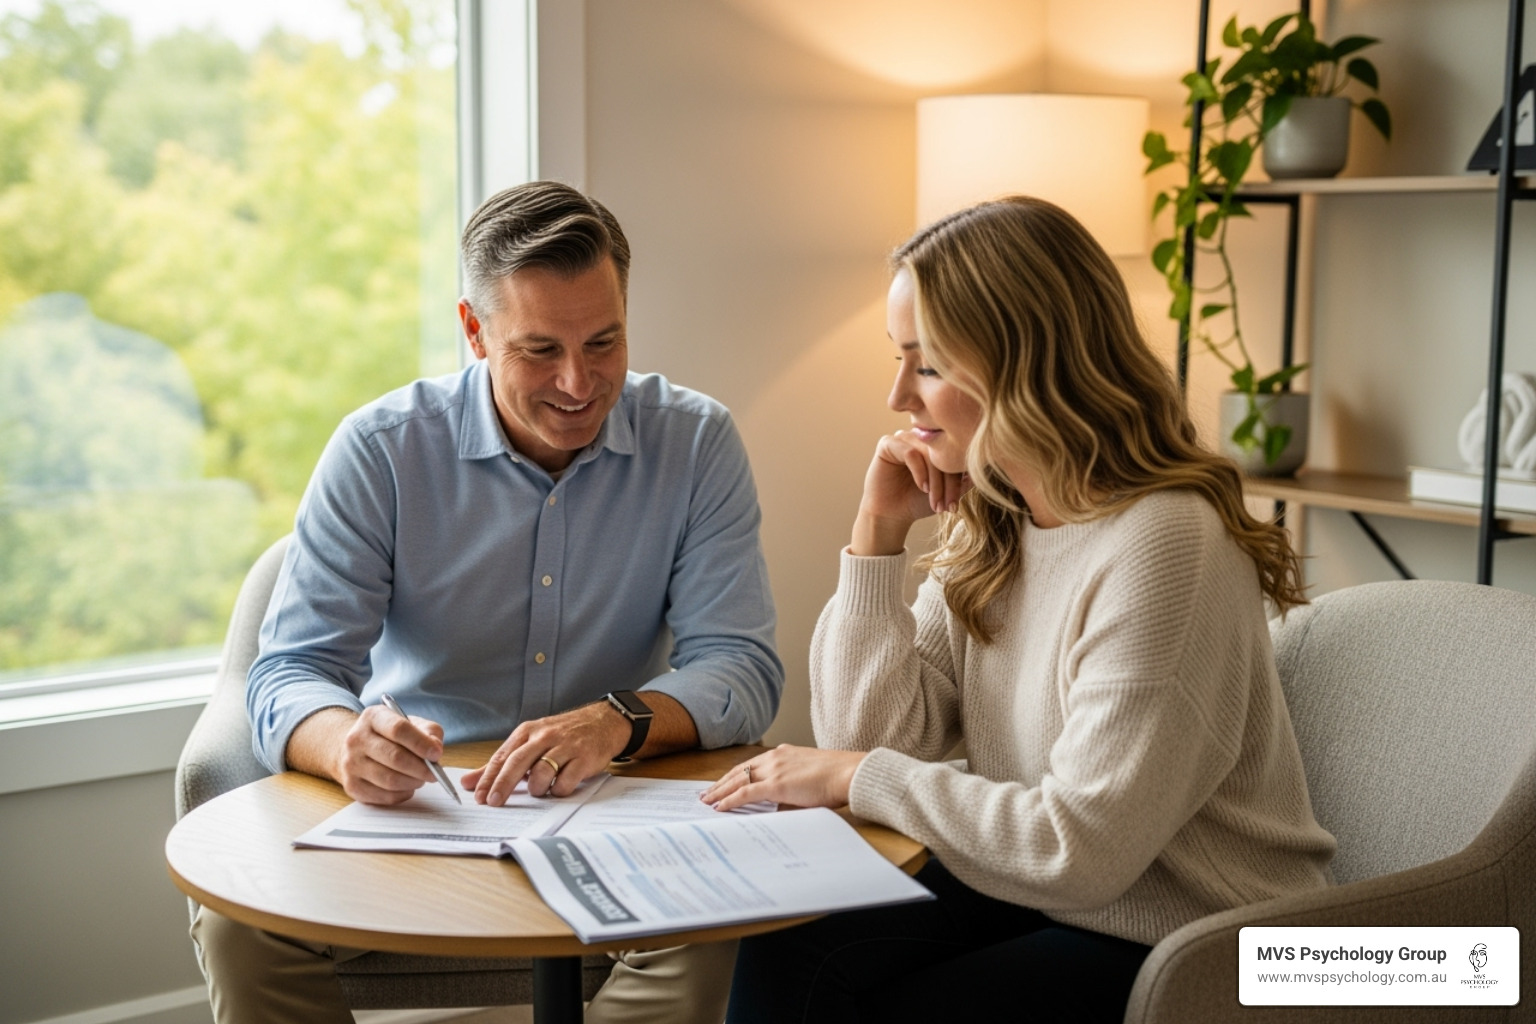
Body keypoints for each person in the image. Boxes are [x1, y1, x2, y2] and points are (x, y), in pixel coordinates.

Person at [703, 196, 1337, 1022]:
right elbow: (874, 737)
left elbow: (1082, 848)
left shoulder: (1163, 543)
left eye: (928, 366)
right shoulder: (1002, 518)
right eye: (899, 359)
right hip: (1047, 894)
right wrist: (876, 537)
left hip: (1199, 937)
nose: (897, 397)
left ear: (1025, 366)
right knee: (793, 938)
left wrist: (859, 777)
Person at [191, 181, 783, 1024]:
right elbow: (292, 669)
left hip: (615, 807)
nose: (578, 382)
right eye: (540, 349)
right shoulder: (380, 450)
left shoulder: (697, 442)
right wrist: (346, 745)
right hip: (420, 811)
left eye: (604, 341)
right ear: (474, 331)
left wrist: (617, 719)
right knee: (240, 928)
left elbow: (740, 664)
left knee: (727, 920)